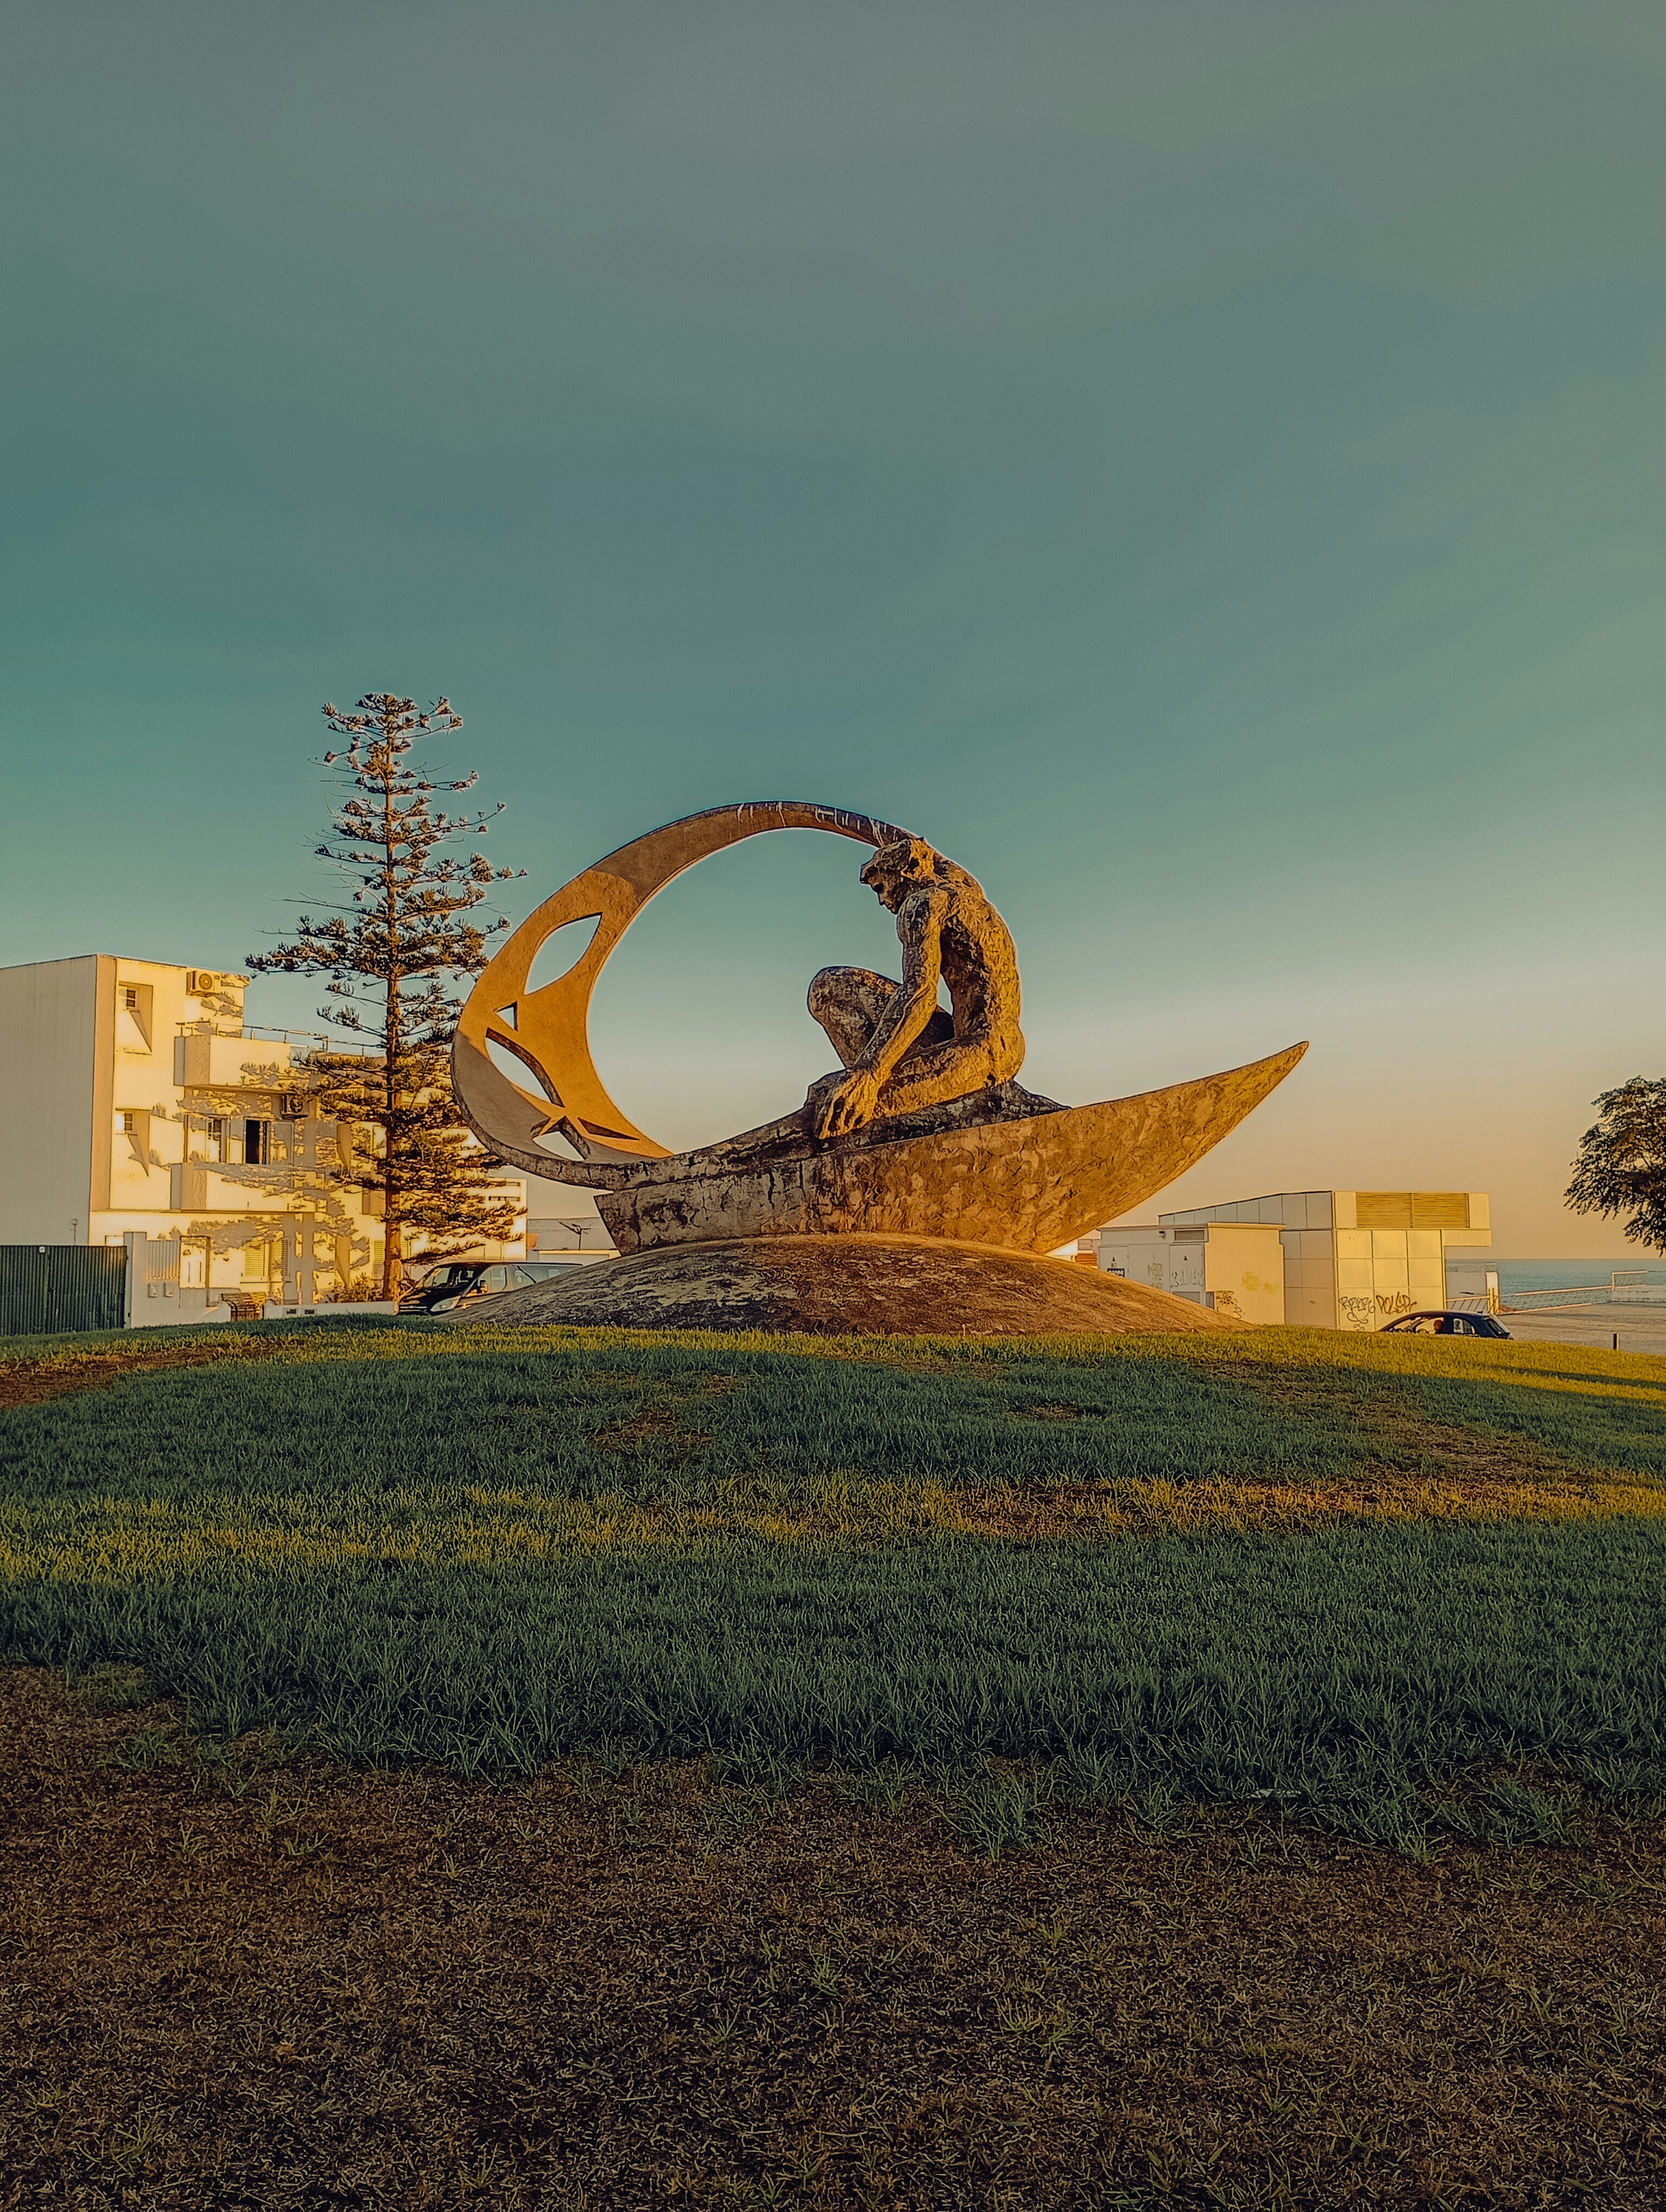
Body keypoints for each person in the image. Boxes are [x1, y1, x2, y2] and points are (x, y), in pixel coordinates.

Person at [804, 833, 1025, 1140]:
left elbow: (920, 992)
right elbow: (937, 861)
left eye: (882, 888)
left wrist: (870, 1070)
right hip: (975, 1039)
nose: (882, 900)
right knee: (828, 987)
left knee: (835, 1105)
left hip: (985, 1052)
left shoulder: (923, 904)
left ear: (904, 874)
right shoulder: (966, 891)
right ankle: (859, 1085)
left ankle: (860, 1097)